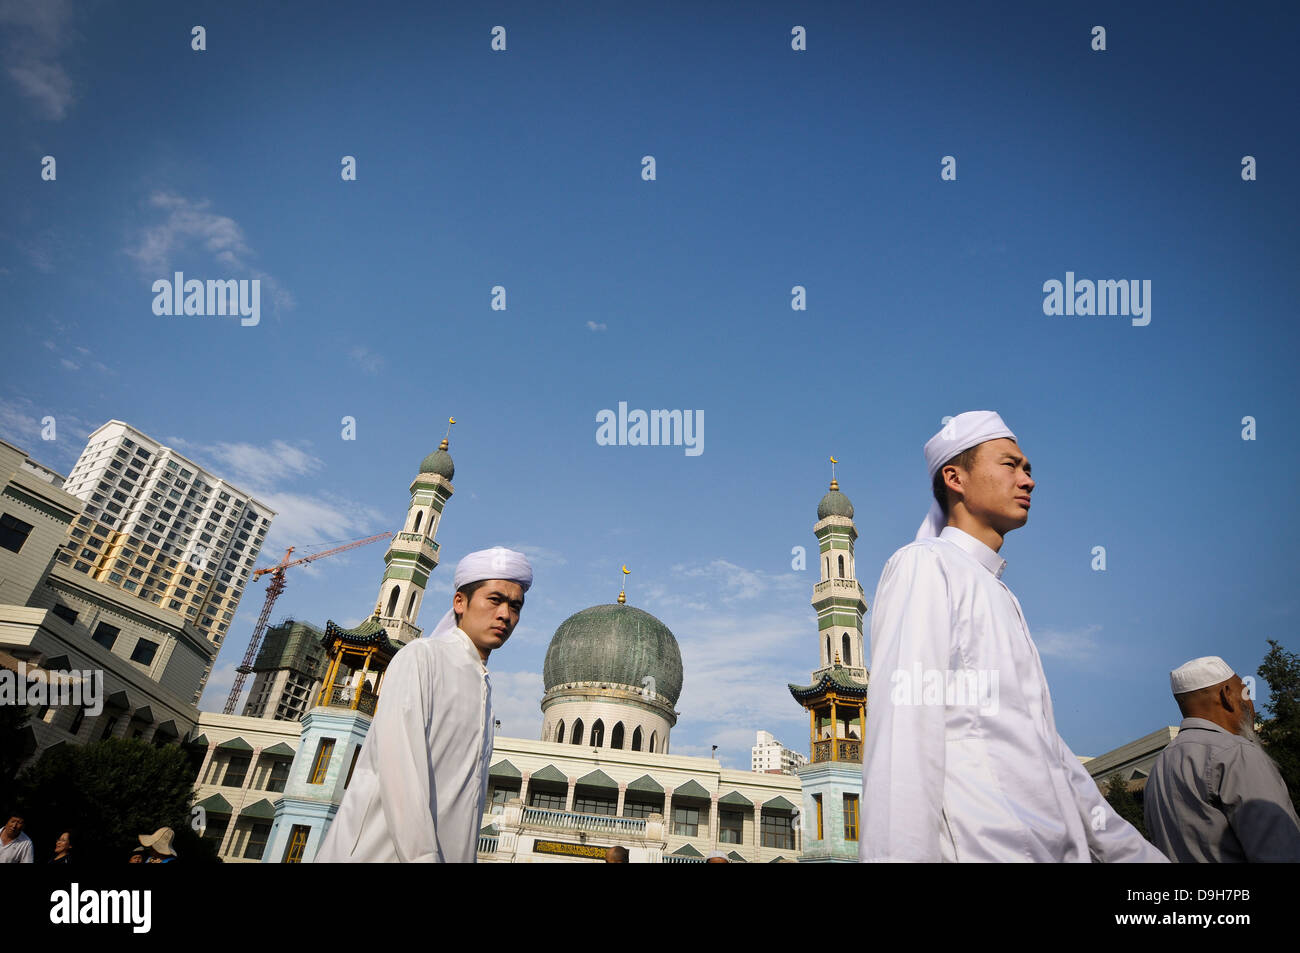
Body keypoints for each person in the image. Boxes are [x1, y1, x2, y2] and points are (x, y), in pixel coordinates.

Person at [860, 411, 1166, 862]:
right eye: (1011, 465)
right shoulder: (926, 564)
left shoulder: (1000, 593)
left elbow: (1052, 758)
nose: (1028, 480)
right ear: (955, 477)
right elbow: (903, 736)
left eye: (1028, 469)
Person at [316, 546, 533, 863]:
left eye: (515, 606)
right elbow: (401, 770)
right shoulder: (422, 657)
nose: (505, 615)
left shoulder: (483, 686)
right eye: (495, 600)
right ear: (460, 602)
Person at [1143, 656, 1300, 862]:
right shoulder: (1236, 752)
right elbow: (1280, 851)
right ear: (1227, 695)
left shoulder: (1159, 769)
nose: (1250, 704)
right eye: (1246, 693)